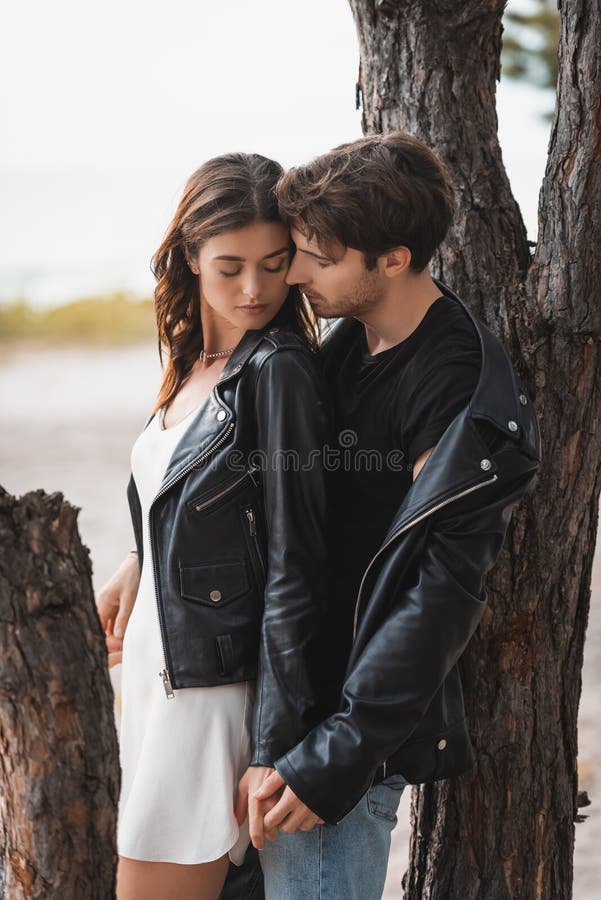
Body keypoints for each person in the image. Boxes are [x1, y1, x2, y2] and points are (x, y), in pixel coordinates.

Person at [246, 132, 542, 900]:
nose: (295, 274)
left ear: (393, 260)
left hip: (339, 738)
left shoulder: (451, 383)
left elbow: (440, 590)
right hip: (289, 705)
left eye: (318, 259)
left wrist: (339, 753)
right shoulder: (348, 342)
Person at [95, 152, 329, 900]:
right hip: (153, 680)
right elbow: (193, 496)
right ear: (190, 256)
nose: (254, 289)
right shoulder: (195, 361)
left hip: (206, 698)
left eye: (273, 265)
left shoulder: (278, 369)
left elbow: (296, 559)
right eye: (230, 267)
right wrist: (141, 560)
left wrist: (271, 746)